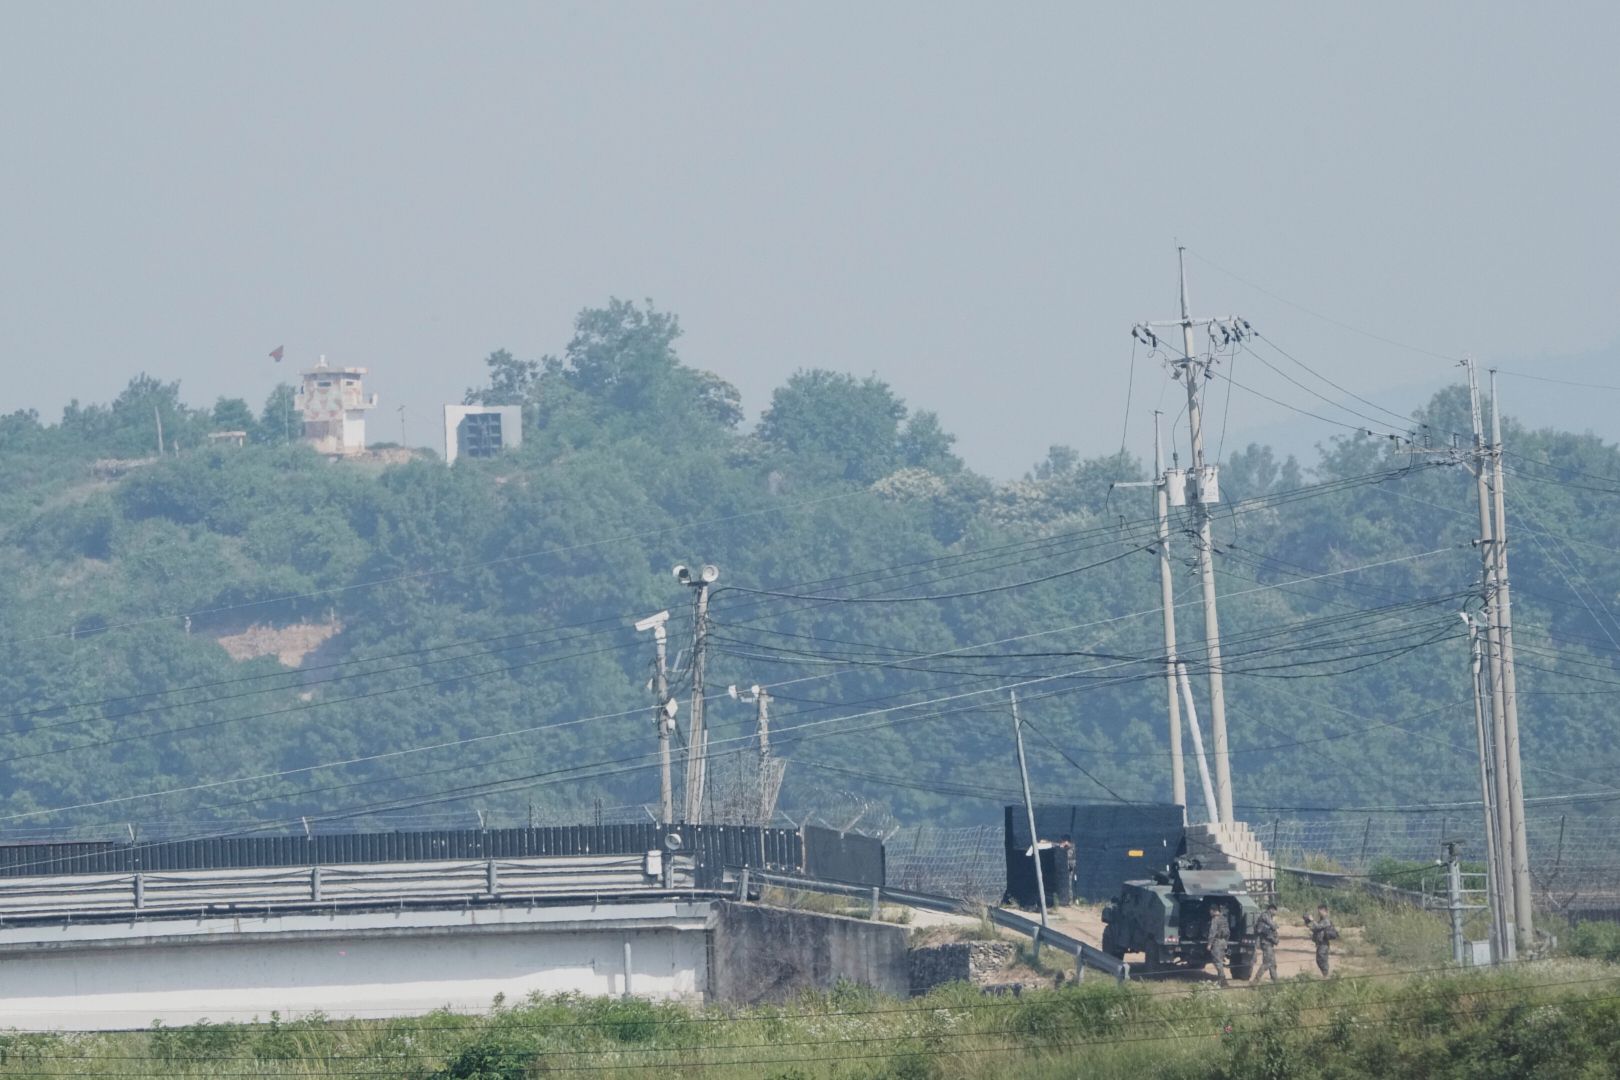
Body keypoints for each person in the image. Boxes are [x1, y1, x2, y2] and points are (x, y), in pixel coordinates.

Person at [1250, 902, 1280, 984]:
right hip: (1266, 943)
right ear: (1271, 909)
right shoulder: (1265, 915)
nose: (1275, 913)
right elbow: (1272, 925)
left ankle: (1276, 981)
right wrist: (1275, 925)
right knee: (1266, 963)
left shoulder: (1269, 917)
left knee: (1273, 963)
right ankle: (1255, 981)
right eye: (1275, 911)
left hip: (1269, 943)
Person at [1304, 904, 1337, 977]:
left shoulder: (1326, 921)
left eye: (1320, 911)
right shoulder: (1321, 920)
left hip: (1324, 943)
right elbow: (1314, 928)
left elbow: (1318, 927)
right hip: (1319, 943)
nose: (1319, 912)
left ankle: (1326, 974)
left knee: (1322, 959)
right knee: (1319, 960)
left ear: (1325, 911)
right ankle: (1325, 974)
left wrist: (1312, 920)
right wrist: (1307, 922)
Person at [1206, 905, 1231, 987]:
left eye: (1210, 910)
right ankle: (1221, 981)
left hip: (1217, 942)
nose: (1209, 912)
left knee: (1217, 962)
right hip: (1223, 942)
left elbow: (1212, 933)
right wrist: (1226, 943)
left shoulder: (1215, 919)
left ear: (1213, 910)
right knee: (1220, 961)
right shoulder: (1224, 919)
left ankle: (1223, 981)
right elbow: (1228, 932)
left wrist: (1209, 944)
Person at [1057, 835, 1076, 906]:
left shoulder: (1071, 845)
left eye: (1062, 840)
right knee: (1065, 884)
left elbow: (1066, 846)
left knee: (1069, 884)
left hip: (1070, 866)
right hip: (1066, 867)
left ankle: (1069, 901)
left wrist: (1063, 845)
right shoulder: (1068, 846)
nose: (1061, 841)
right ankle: (1065, 901)